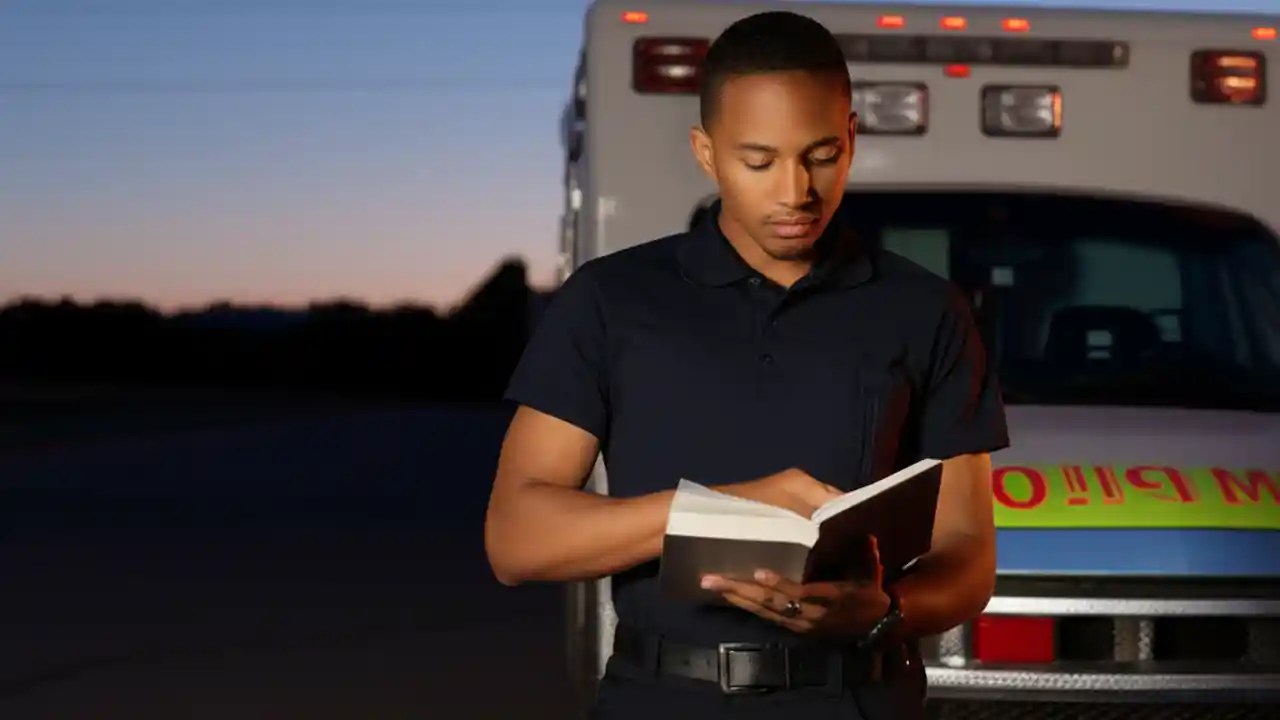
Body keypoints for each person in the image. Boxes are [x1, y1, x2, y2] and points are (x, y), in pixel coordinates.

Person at [484, 9, 1009, 719]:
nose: (796, 192)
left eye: (821, 155)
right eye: (758, 161)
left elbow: (968, 557)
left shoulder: (928, 310)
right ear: (706, 152)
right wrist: (721, 510)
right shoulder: (612, 300)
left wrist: (884, 609)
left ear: (852, 138)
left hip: (860, 700)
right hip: (663, 701)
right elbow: (517, 540)